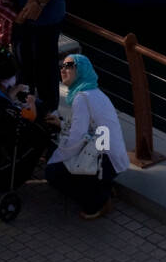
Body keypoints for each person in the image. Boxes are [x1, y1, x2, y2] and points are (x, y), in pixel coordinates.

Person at [45, 54, 129, 219]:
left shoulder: (81, 98)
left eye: (69, 65)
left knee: (53, 172)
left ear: (81, 70)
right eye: (62, 65)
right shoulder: (93, 92)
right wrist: (61, 125)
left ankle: (97, 201)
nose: (63, 69)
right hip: (113, 159)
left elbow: (77, 138)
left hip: (104, 161)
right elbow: (87, 129)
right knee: (60, 159)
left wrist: (55, 158)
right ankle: (103, 185)